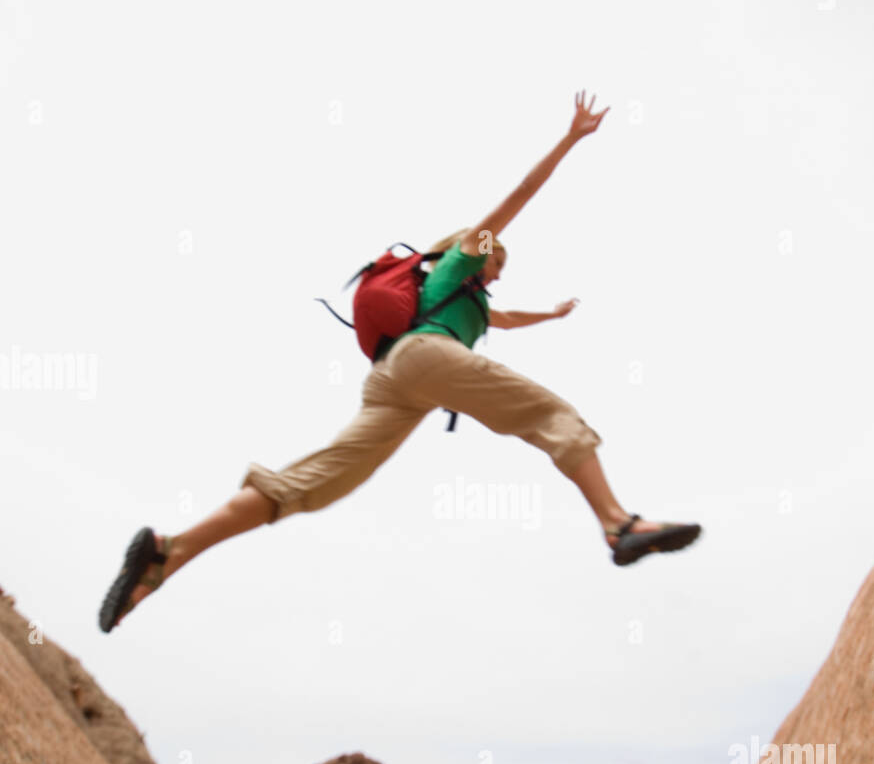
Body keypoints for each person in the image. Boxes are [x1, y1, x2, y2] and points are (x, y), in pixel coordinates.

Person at [99, 91, 701, 633]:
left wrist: (553, 314)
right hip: (425, 360)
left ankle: (169, 552)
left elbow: (507, 319)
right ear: (480, 252)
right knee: (553, 415)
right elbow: (517, 197)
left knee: (315, 483)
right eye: (500, 264)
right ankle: (618, 523)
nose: (498, 272)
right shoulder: (464, 257)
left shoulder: (466, 302)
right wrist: (569, 140)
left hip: (394, 383)